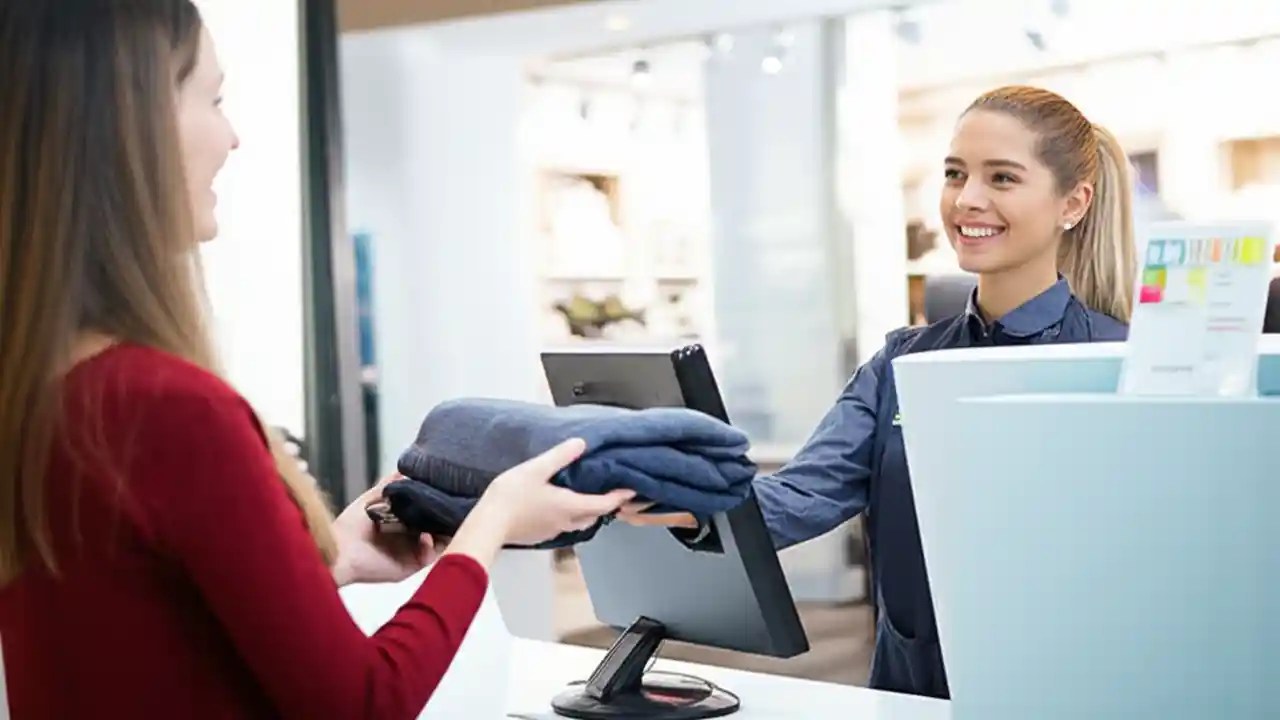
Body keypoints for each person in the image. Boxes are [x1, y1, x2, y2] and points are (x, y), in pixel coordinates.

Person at [0, 3, 633, 718]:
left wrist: (326, 562)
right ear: (130, 126)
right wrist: (492, 525)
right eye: (212, 99)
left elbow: (134, 634)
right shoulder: (168, 407)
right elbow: (366, 699)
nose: (233, 138)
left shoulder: (40, 391)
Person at [622, 85, 1137, 699]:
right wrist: (678, 495)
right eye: (955, 174)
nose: (967, 199)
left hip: (1073, 689)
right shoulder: (902, 361)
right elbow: (799, 496)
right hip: (912, 691)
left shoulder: (1122, 363)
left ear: (1072, 203)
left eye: (1002, 178)